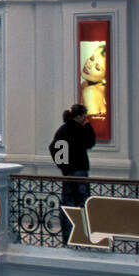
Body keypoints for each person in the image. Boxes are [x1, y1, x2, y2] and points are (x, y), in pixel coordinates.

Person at [51, 103, 96, 241]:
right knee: (82, 202)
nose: (86, 118)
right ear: (79, 116)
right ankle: (82, 234)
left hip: (68, 173)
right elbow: (90, 142)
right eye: (84, 116)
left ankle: (68, 234)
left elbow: (55, 147)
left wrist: (64, 165)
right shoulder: (79, 129)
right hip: (80, 172)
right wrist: (88, 126)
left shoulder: (63, 130)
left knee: (68, 203)